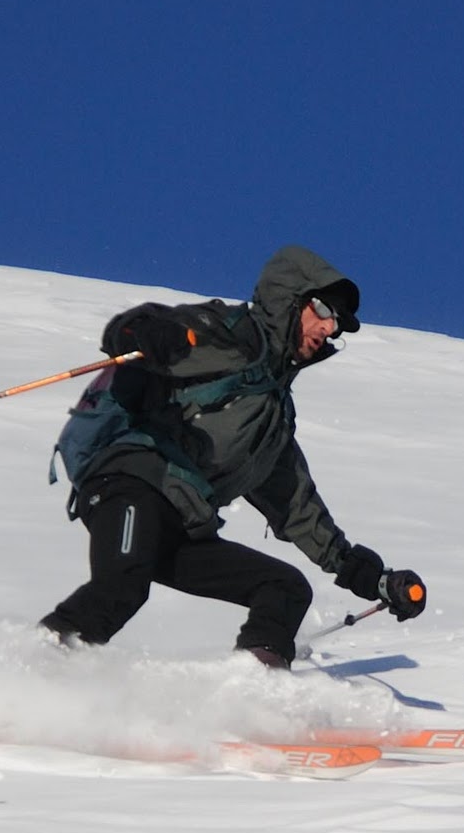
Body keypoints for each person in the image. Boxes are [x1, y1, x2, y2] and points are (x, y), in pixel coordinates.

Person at [40, 245, 426, 668]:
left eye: (338, 324)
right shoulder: (230, 338)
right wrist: (142, 332)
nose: (329, 329)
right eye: (322, 310)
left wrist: (371, 576)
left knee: (284, 587)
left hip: (181, 522)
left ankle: (254, 687)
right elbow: (146, 328)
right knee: (123, 585)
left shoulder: (272, 416)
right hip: (130, 481)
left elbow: (297, 506)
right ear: (290, 300)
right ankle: (36, 668)